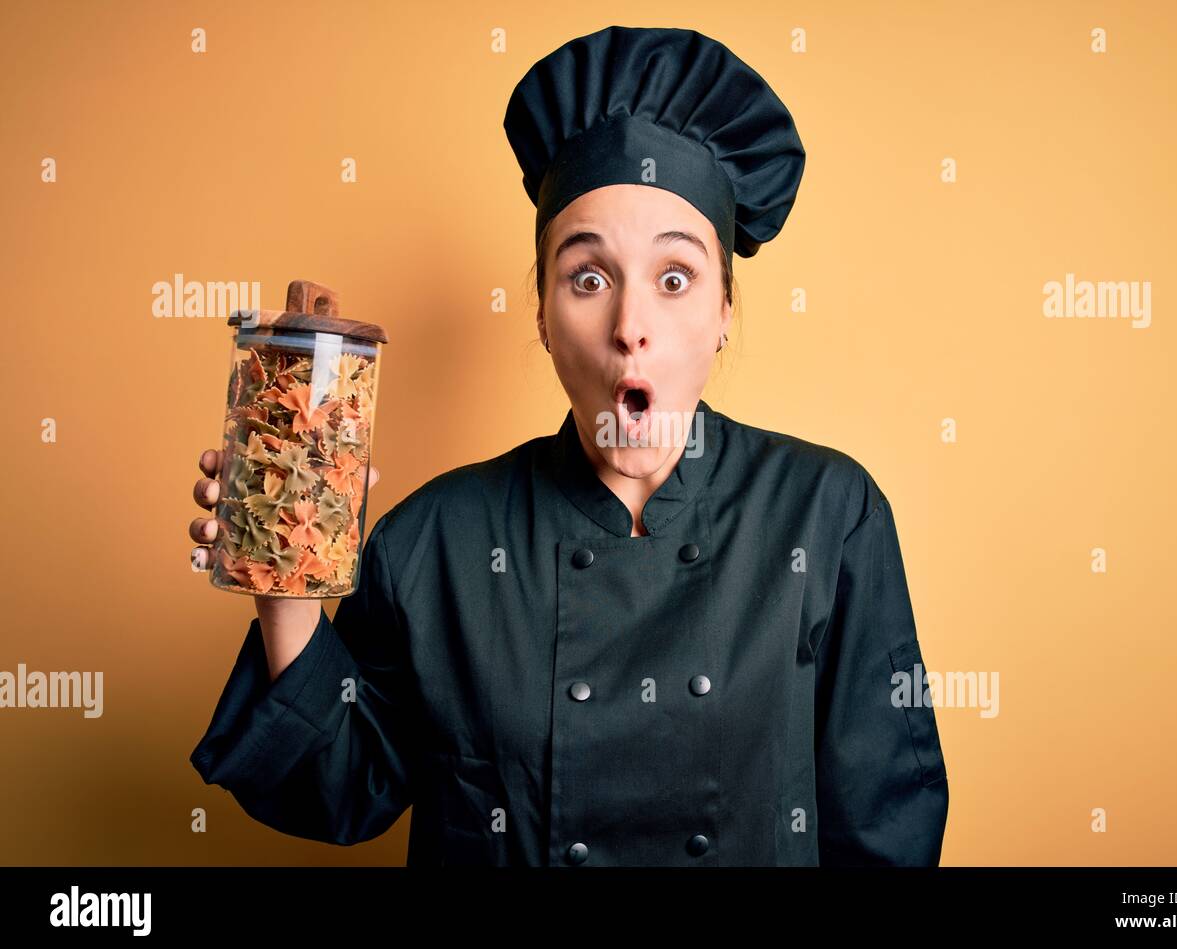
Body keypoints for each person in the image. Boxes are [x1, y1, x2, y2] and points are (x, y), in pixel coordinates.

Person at [189, 25, 949, 866]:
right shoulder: (436, 540)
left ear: (724, 313)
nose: (631, 329)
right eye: (588, 278)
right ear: (544, 317)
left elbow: (885, 828)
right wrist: (285, 575)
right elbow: (336, 791)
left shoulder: (827, 514)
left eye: (675, 278)